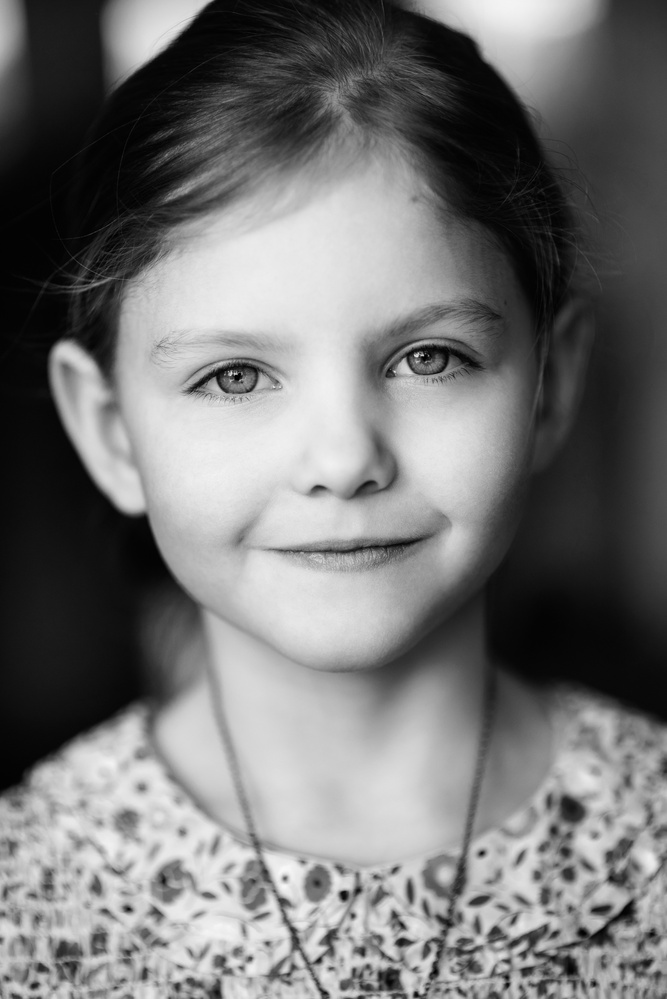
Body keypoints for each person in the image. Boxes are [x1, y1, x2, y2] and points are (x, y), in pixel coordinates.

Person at [2, 1, 667, 995]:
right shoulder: (29, 893)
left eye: (428, 357)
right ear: (111, 432)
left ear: (550, 386)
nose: (344, 458)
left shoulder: (649, 832)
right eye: (233, 376)